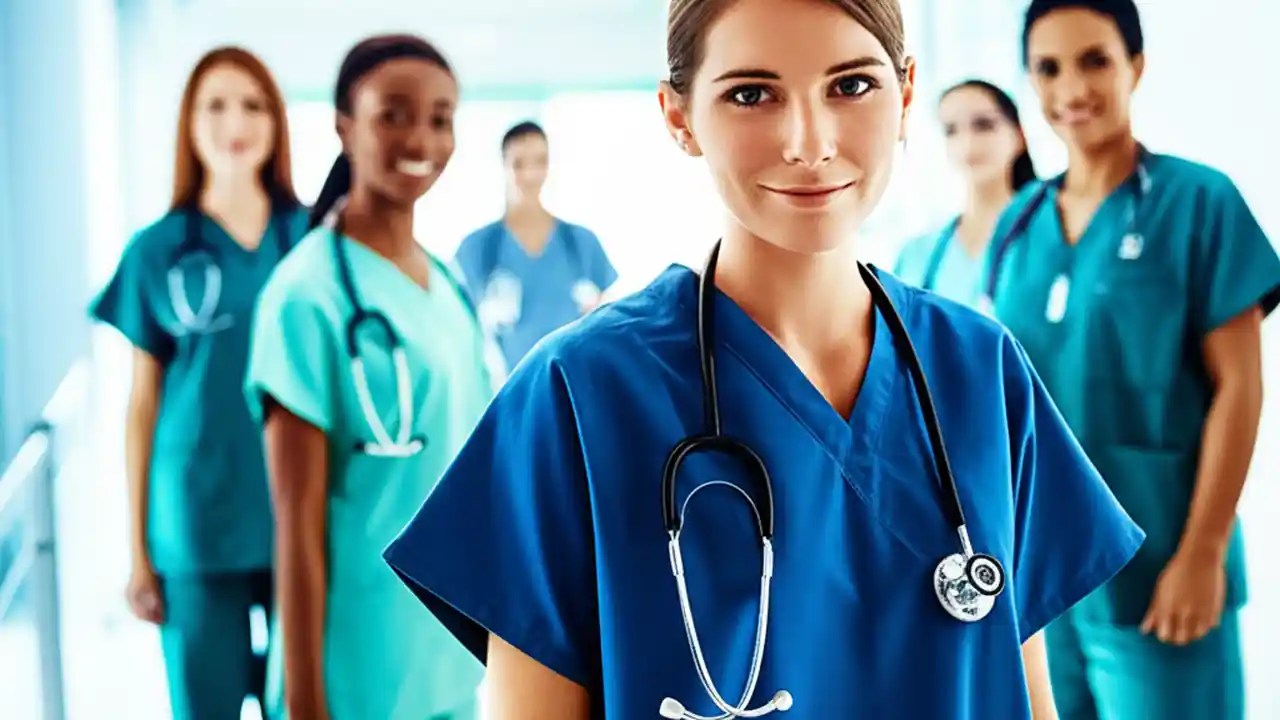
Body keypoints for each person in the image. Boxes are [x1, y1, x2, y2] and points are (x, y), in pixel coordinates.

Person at [383, 1, 1145, 718]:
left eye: (851, 85)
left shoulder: (981, 373)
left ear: (907, 94)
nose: (809, 143)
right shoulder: (578, 396)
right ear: (679, 116)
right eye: (752, 95)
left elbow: (1024, 693)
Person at [986, 1, 1280, 718]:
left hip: (1160, 571)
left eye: (1095, 60)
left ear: (1135, 67)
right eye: (1048, 68)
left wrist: (1203, 553)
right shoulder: (1019, 221)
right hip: (1044, 579)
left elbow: (1240, 387)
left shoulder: (1198, 201)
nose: (1072, 88)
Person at [243, 34, 490, 720]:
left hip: (448, 662)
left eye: (441, 118)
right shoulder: (306, 297)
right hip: (350, 674)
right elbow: (295, 526)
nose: (422, 136)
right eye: (395, 113)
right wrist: (304, 704)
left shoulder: (445, 284)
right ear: (344, 126)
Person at [89, 46, 307, 720]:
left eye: (252, 104)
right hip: (194, 523)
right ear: (188, 123)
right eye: (214, 104)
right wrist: (137, 552)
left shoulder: (312, 238)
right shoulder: (156, 249)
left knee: (305, 704)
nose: (233, 120)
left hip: (296, 516)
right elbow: (142, 407)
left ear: (275, 121)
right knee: (203, 708)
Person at [454, 120, 618, 370]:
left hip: (569, 385)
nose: (530, 173)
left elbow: (607, 325)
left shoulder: (581, 243)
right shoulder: (478, 249)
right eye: (519, 163)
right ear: (503, 164)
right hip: (502, 391)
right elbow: (457, 331)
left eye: (540, 161)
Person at [894, 80, 1036, 307]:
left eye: (983, 125)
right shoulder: (916, 255)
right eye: (951, 130)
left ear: (1019, 136)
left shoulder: (1050, 236)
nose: (967, 142)